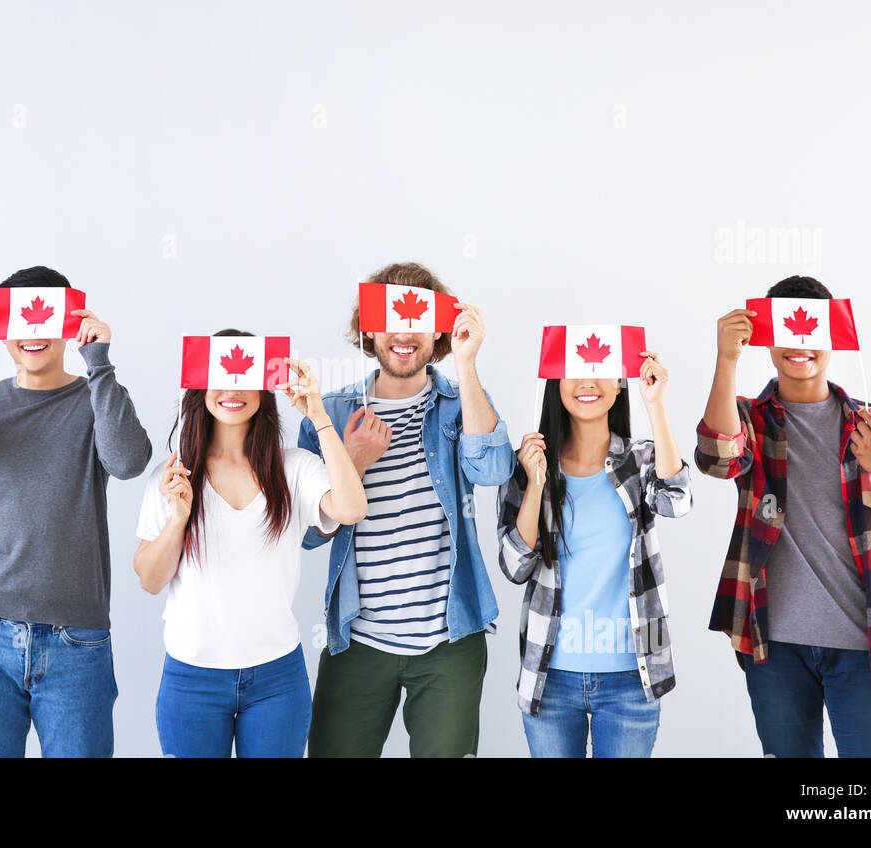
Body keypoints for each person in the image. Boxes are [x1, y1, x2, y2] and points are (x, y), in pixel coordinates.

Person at [0, 265, 151, 758]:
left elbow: (129, 462)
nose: (34, 334)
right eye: (21, 321)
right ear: (3, 329)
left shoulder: (96, 397)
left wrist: (100, 362)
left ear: (69, 322)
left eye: (46, 318)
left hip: (76, 641)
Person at [695, 275, 871, 758]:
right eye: (788, 330)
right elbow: (718, 457)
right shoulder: (751, 419)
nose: (799, 345)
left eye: (811, 332)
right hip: (774, 644)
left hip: (865, 643)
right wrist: (726, 360)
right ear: (767, 335)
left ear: (832, 337)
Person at [300, 262, 514, 758]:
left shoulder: (460, 403)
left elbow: (494, 470)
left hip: (450, 639)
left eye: (418, 318)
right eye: (391, 317)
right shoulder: (327, 413)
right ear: (369, 327)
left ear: (438, 329)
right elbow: (308, 534)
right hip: (357, 638)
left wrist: (466, 363)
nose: (403, 333)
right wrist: (351, 461)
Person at [134, 331, 366, 757]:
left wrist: (318, 415)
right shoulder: (172, 478)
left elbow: (351, 508)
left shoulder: (294, 468)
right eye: (221, 376)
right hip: (192, 679)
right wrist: (179, 519)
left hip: (277, 679)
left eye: (245, 376)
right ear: (200, 389)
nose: (233, 389)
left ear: (264, 389)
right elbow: (150, 580)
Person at [496, 352, 691, 757]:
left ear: (619, 384)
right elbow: (515, 567)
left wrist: (655, 406)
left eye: (600, 371)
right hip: (550, 676)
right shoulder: (529, 464)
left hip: (630, 677)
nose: (588, 382)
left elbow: (677, 500)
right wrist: (535, 483)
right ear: (555, 383)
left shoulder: (639, 459)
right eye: (574, 372)